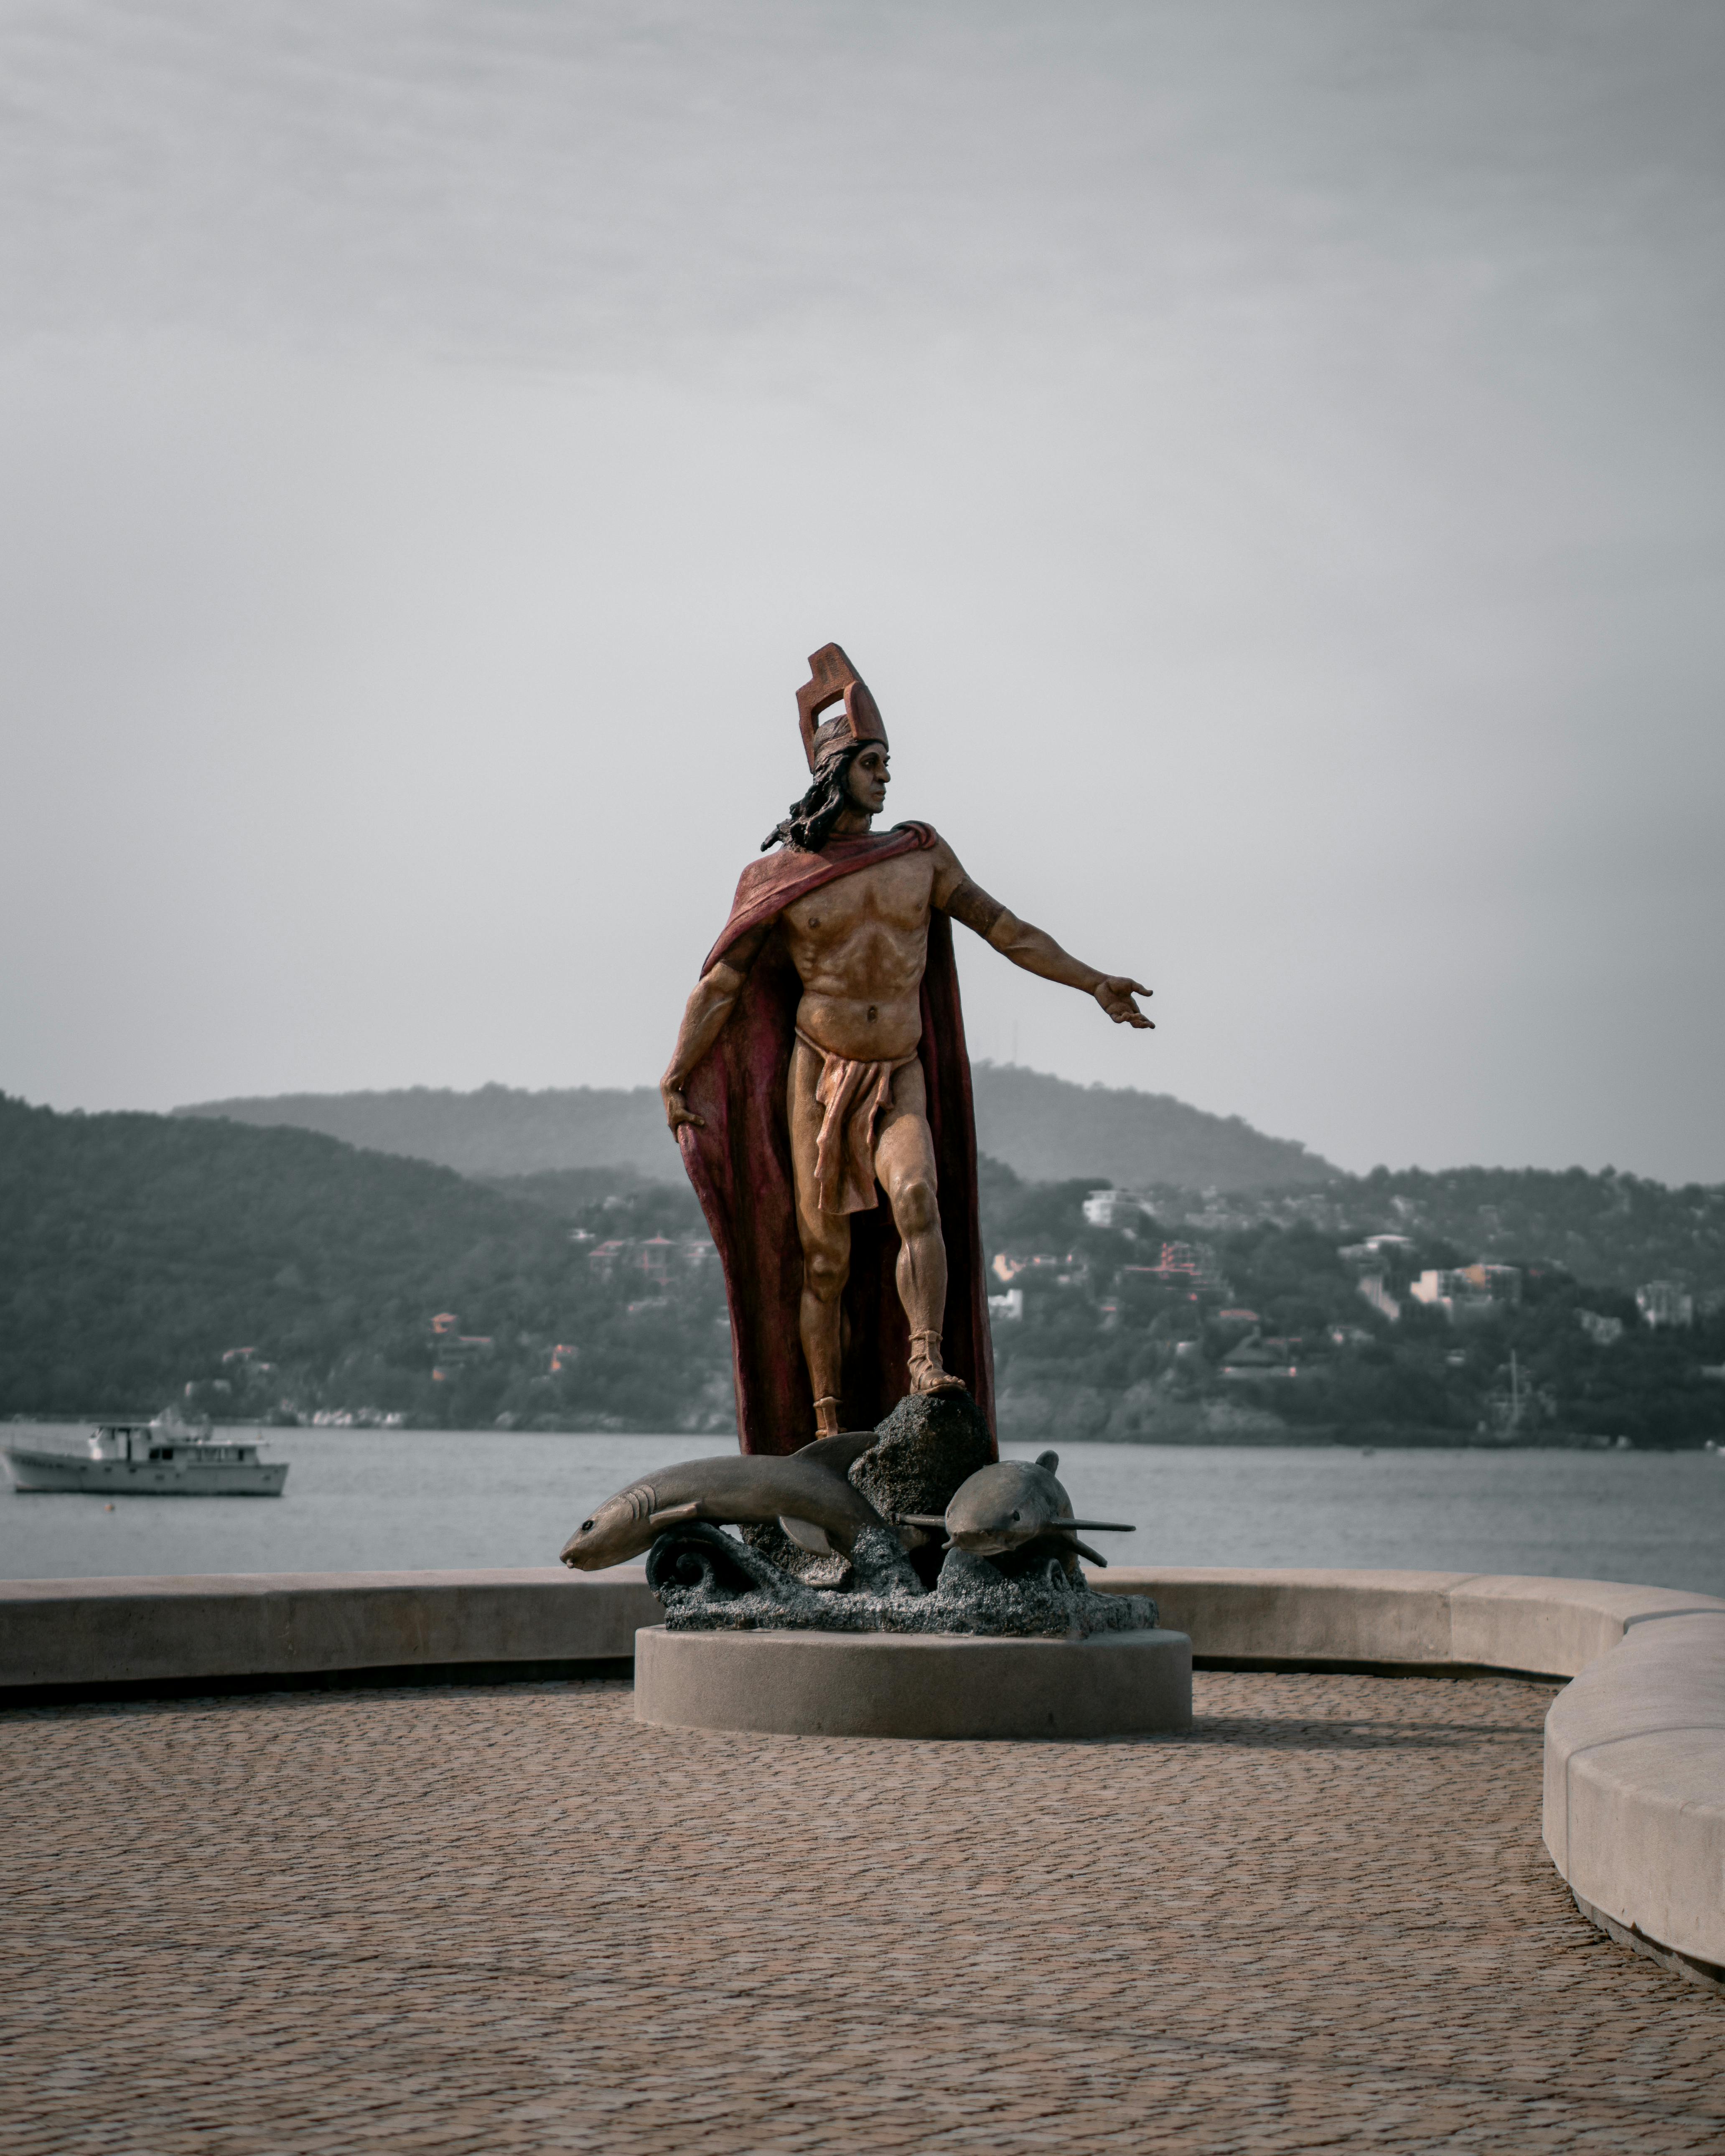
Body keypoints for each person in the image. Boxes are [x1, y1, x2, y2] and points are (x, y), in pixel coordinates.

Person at [664, 644, 1152, 1449]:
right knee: (823, 1264)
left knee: (917, 1196)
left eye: (890, 763)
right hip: (818, 1076)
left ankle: (926, 1362)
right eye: (873, 763)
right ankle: (825, 1421)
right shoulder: (780, 878)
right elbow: (721, 985)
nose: (888, 778)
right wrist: (679, 1073)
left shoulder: (920, 857)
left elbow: (1008, 930)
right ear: (837, 771)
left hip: (901, 1071)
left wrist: (1094, 982)